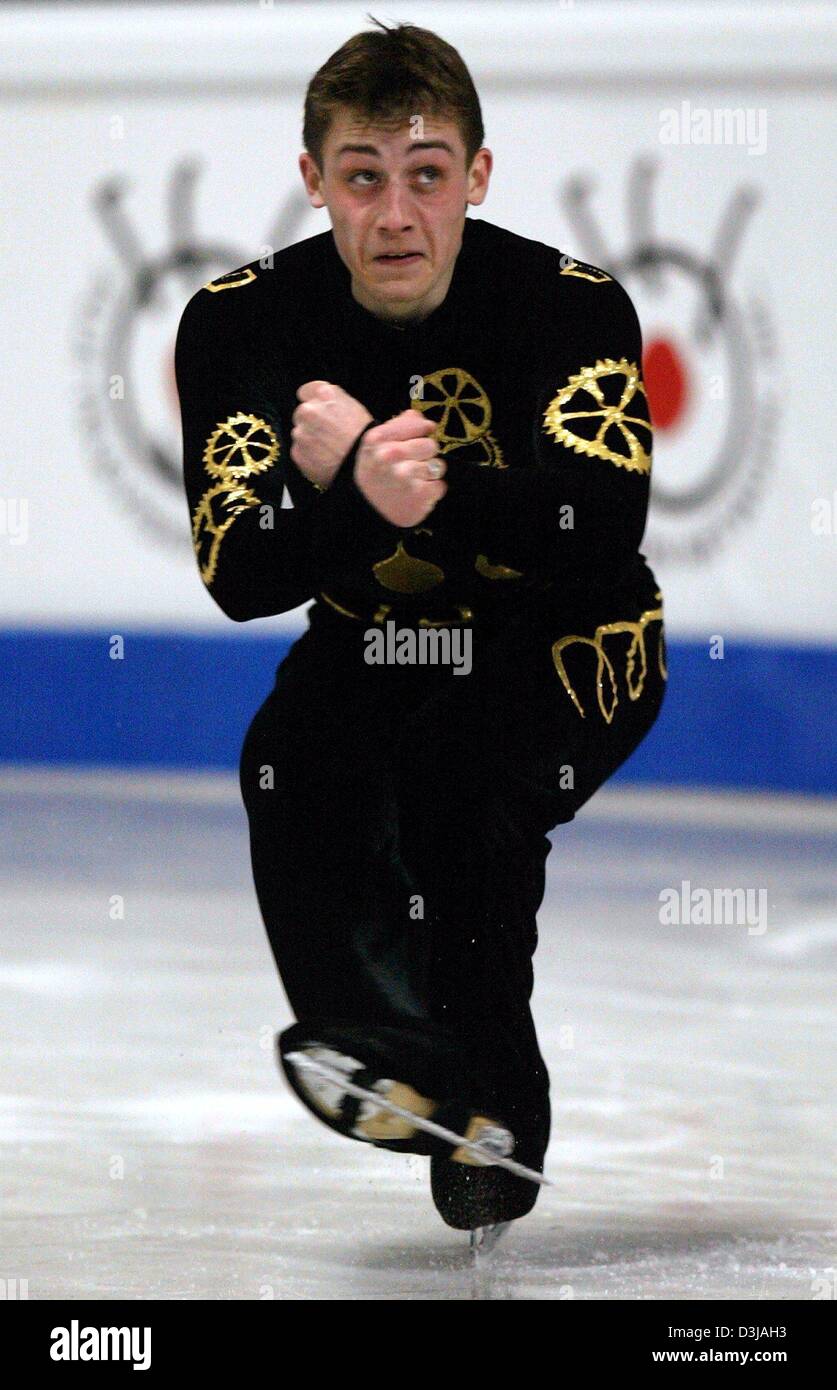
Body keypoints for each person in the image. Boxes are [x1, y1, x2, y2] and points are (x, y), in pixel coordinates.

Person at [174, 18, 667, 1233]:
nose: (397, 215)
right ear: (314, 182)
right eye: (363, 177)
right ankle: (385, 1041)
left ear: (478, 178)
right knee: (284, 765)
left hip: (571, 635)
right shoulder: (241, 322)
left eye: (428, 175)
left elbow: (600, 527)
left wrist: (422, 490)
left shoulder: (570, 306)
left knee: (462, 778)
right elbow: (239, 572)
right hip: (380, 638)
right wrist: (356, 506)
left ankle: (496, 1110)